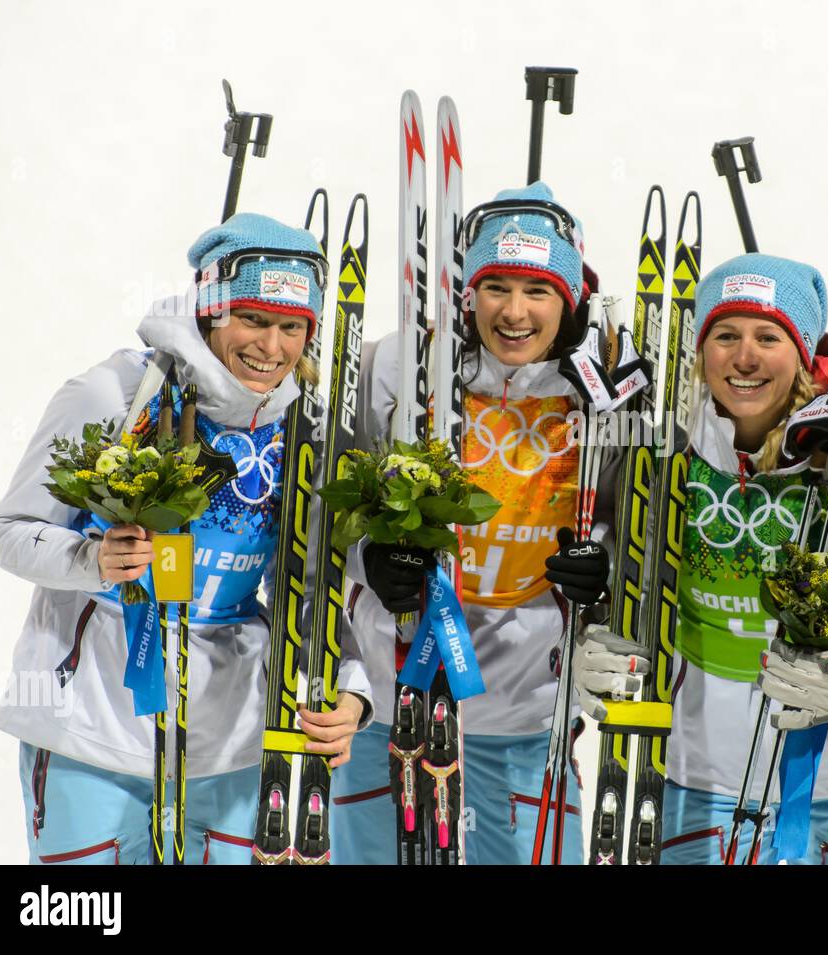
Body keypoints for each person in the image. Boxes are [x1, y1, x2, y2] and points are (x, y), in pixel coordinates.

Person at [0, 213, 373, 864]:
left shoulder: (312, 426)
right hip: (92, 719)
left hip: (230, 734)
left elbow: (313, 582)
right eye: (252, 318)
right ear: (210, 309)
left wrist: (352, 686)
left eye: (292, 326)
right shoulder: (113, 393)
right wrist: (93, 558)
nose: (271, 347)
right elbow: (9, 533)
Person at [579, 252, 828, 865]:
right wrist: (591, 629)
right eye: (725, 336)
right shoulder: (665, 446)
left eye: (769, 337)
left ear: (803, 351)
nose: (745, 357)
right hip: (696, 766)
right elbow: (618, 560)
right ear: (701, 351)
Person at [332, 182, 611, 864]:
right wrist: (368, 555)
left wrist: (603, 568)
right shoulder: (398, 370)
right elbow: (329, 506)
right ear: (468, 291)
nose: (514, 312)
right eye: (496, 286)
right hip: (392, 693)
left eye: (538, 290)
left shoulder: (601, 391)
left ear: (568, 298)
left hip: (521, 712)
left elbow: (634, 519)